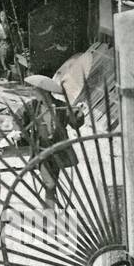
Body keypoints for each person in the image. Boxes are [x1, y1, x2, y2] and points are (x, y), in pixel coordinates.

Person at [17, 76, 86, 206]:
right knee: (50, 184)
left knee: (53, 183)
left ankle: (50, 211)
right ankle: (49, 216)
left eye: (36, 90)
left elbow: (75, 123)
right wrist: (18, 132)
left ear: (44, 92)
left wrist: (79, 113)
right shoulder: (32, 106)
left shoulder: (61, 106)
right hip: (41, 151)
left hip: (58, 151)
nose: (33, 92)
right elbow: (18, 117)